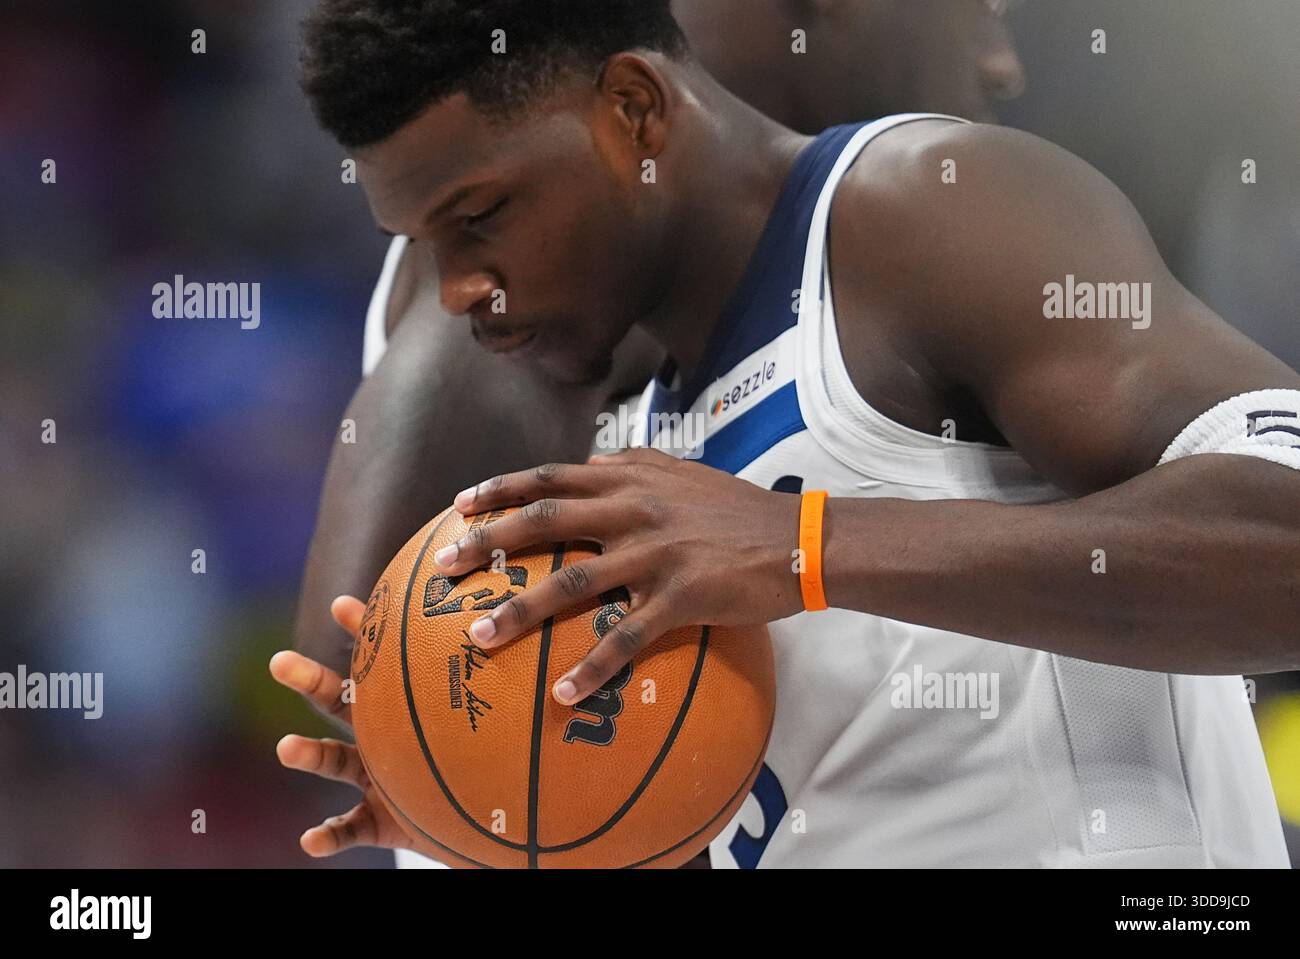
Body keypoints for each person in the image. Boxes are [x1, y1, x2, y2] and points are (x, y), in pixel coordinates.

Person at [276, 0, 1299, 867]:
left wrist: (802, 544)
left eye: (481, 215)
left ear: (633, 110)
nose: (455, 290)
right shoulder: (638, 451)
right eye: (422, 245)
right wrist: (476, 796)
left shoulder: (919, 215)